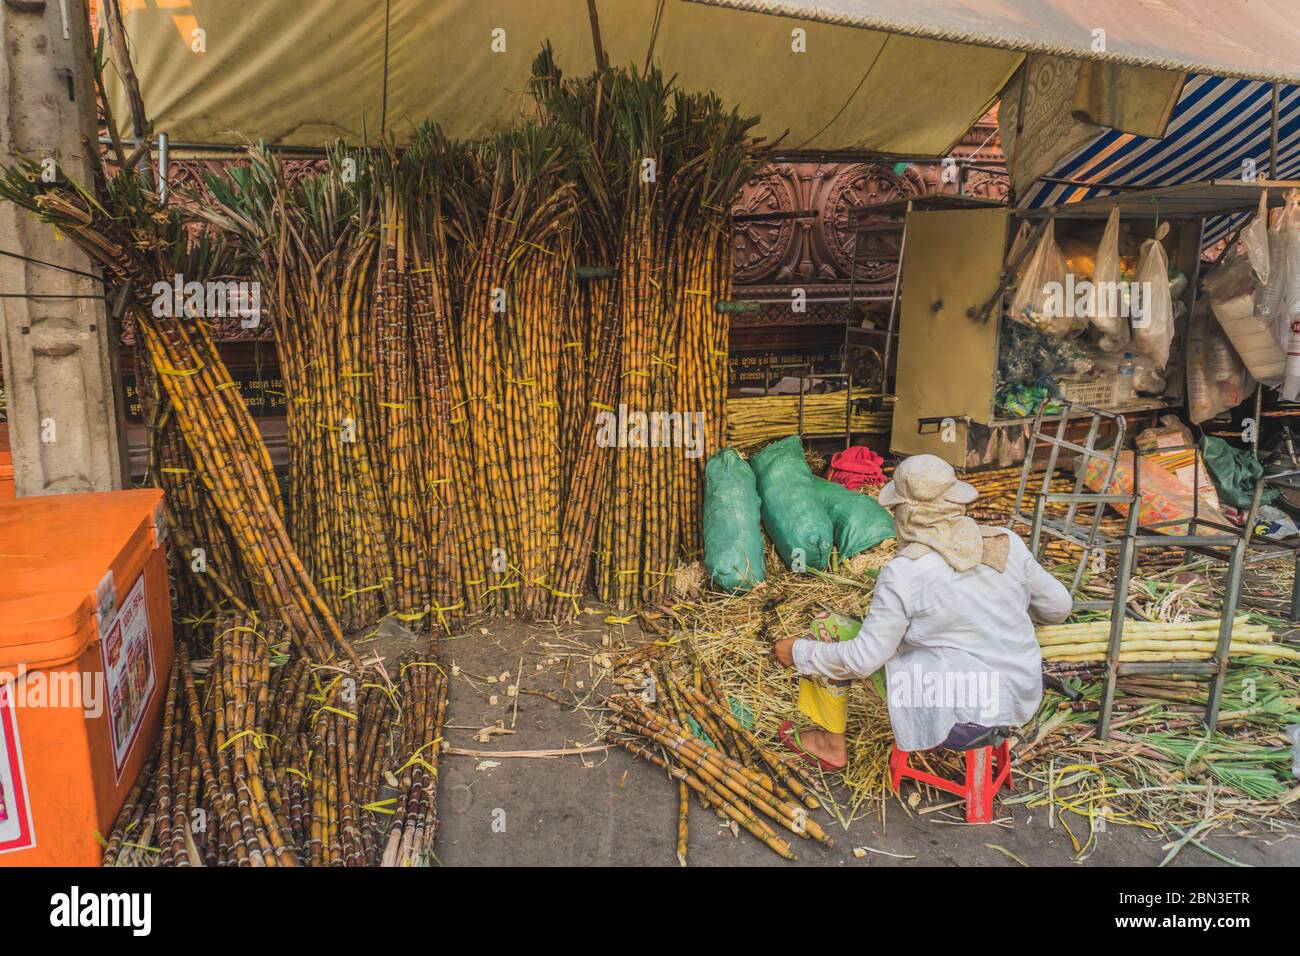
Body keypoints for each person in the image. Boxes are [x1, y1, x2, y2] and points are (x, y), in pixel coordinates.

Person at [771, 454, 1072, 770]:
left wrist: (800, 652)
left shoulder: (905, 573)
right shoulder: (1004, 542)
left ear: (904, 514)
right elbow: (1059, 608)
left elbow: (862, 660)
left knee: (828, 628)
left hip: (962, 716)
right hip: (1020, 699)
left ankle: (830, 745)